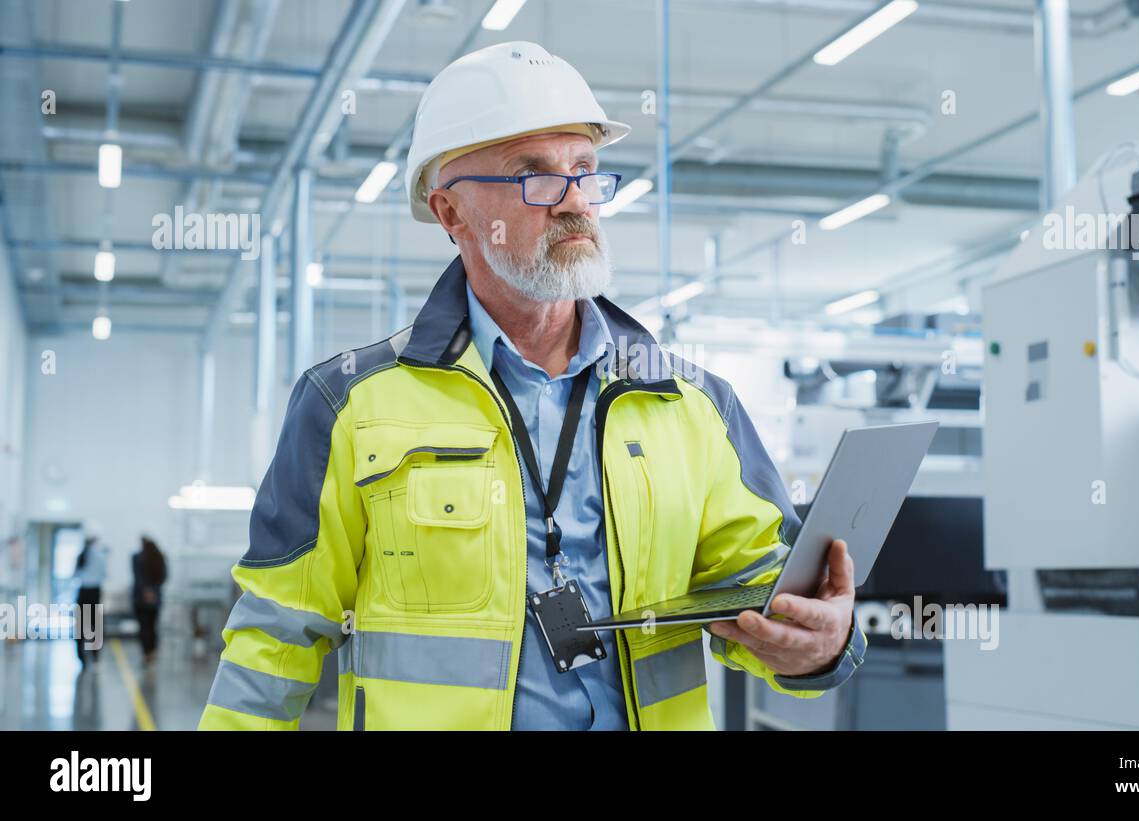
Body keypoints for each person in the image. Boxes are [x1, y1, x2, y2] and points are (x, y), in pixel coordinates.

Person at [199, 41, 866, 731]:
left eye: (584, 170)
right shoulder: (350, 406)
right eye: (535, 177)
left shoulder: (692, 405)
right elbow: (273, 641)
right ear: (452, 213)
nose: (575, 200)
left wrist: (819, 643)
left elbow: (765, 590)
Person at [72, 533, 108, 666]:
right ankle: (95, 656)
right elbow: (104, 574)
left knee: (81, 624)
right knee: (96, 625)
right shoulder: (100, 556)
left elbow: (75, 574)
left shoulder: (81, 555)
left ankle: (81, 656)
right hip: (95, 592)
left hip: (83, 591)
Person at [132, 536, 167, 664]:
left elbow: (138, 577)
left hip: (140, 599)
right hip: (155, 599)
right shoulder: (160, 557)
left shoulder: (137, 557)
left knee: (143, 627)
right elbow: (164, 577)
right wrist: (153, 591)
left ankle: (146, 652)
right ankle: (152, 651)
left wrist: (146, 591)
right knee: (152, 626)